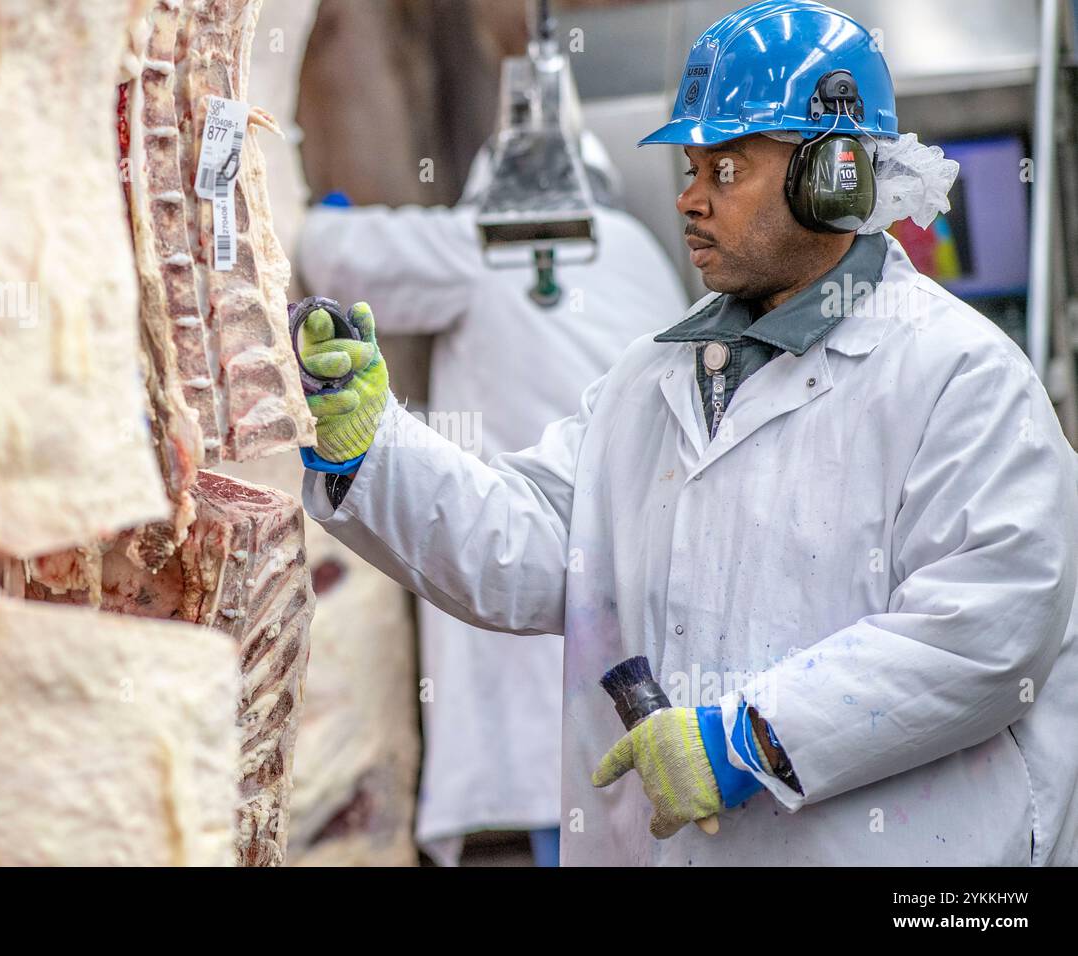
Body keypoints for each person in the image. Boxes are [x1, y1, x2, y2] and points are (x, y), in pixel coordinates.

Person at [292, 0, 1078, 866]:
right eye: (691, 164)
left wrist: (753, 740)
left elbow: (990, 630)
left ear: (835, 175)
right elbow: (529, 543)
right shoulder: (653, 380)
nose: (689, 196)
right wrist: (371, 449)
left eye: (725, 168)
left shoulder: (958, 377)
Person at [297, 133, 687, 866]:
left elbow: (329, 252)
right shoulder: (641, 250)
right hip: (630, 617)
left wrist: (323, 209)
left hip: (533, 583)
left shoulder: (499, 244)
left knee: (564, 793)